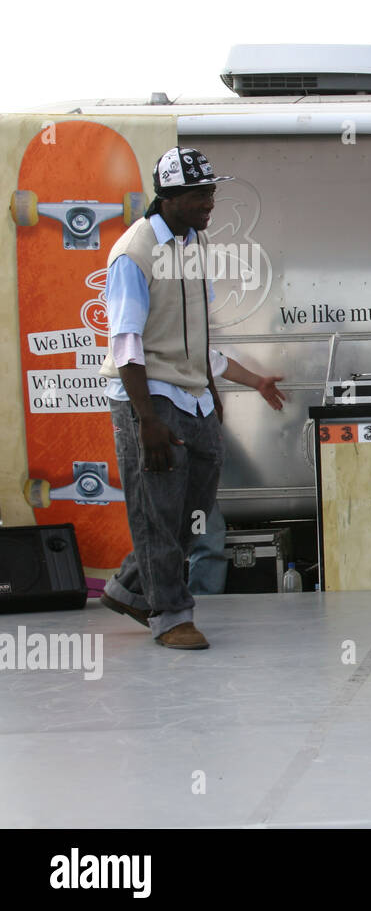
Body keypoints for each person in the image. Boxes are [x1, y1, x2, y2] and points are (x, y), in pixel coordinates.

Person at [97, 148, 231, 650]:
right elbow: (126, 342)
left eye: (212, 192)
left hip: (194, 395)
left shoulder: (194, 241)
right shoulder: (133, 252)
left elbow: (200, 326)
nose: (209, 203)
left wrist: (212, 390)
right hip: (150, 395)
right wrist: (146, 419)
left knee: (191, 510)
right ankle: (171, 616)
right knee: (157, 508)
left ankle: (131, 585)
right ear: (170, 197)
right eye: (200, 194)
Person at [186, 349, 287, 596]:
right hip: (176, 445)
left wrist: (259, 383)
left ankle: (202, 602)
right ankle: (134, 592)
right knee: (189, 533)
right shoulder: (160, 339)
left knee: (207, 531)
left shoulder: (189, 337)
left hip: (198, 446)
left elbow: (218, 362)